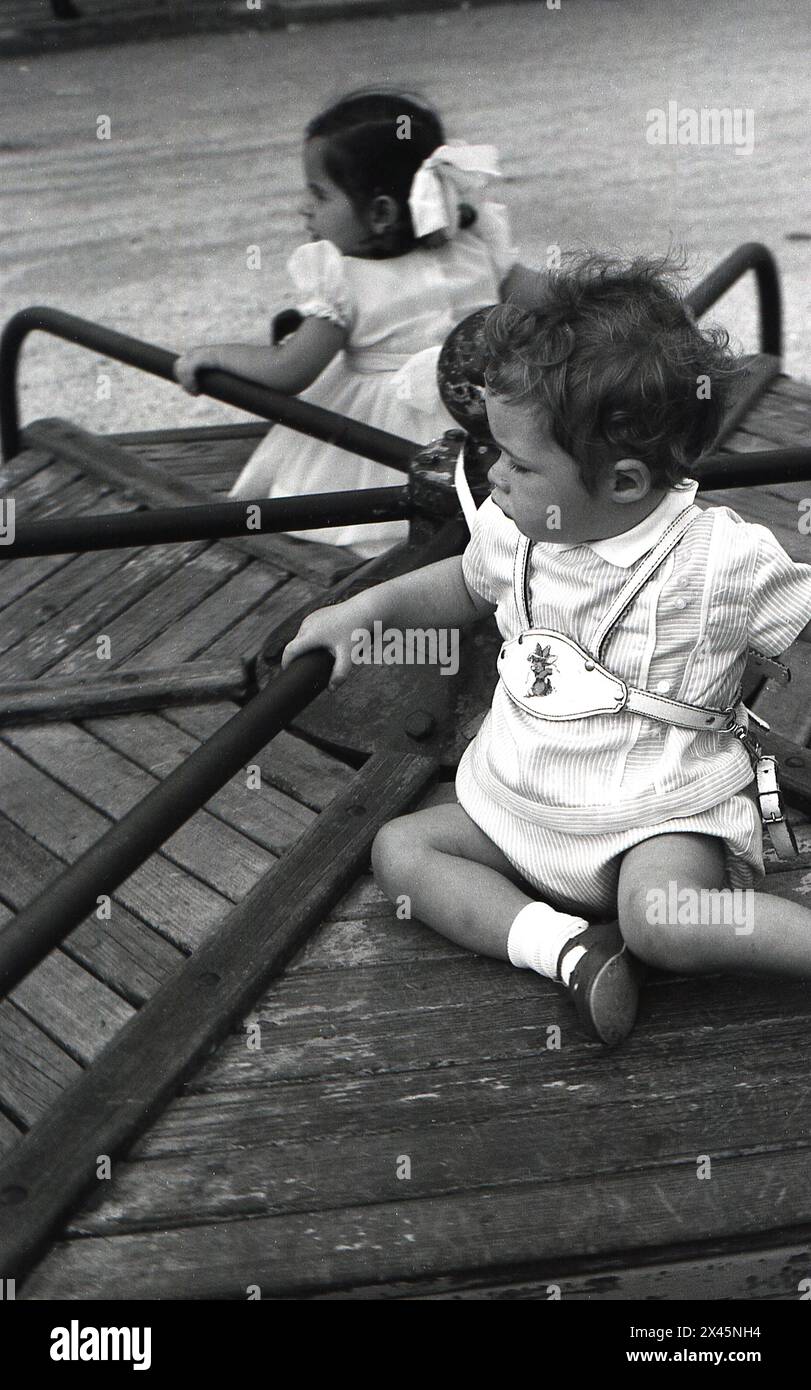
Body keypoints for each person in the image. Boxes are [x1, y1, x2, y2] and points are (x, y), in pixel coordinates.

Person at [280, 253, 811, 1045]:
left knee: (663, 921)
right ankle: (563, 949)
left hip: (653, 813)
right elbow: (456, 587)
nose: (493, 475)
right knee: (403, 851)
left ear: (625, 482)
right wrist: (362, 610)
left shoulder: (719, 562)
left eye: (519, 462)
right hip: (518, 800)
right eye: (495, 451)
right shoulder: (514, 529)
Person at [174, 88, 539, 558]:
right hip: (483, 417)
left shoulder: (342, 276)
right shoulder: (475, 244)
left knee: (370, 523)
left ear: (381, 212)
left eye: (319, 194)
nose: (304, 207)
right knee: (490, 509)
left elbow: (290, 370)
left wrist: (215, 355)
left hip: (377, 432)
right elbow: (554, 301)